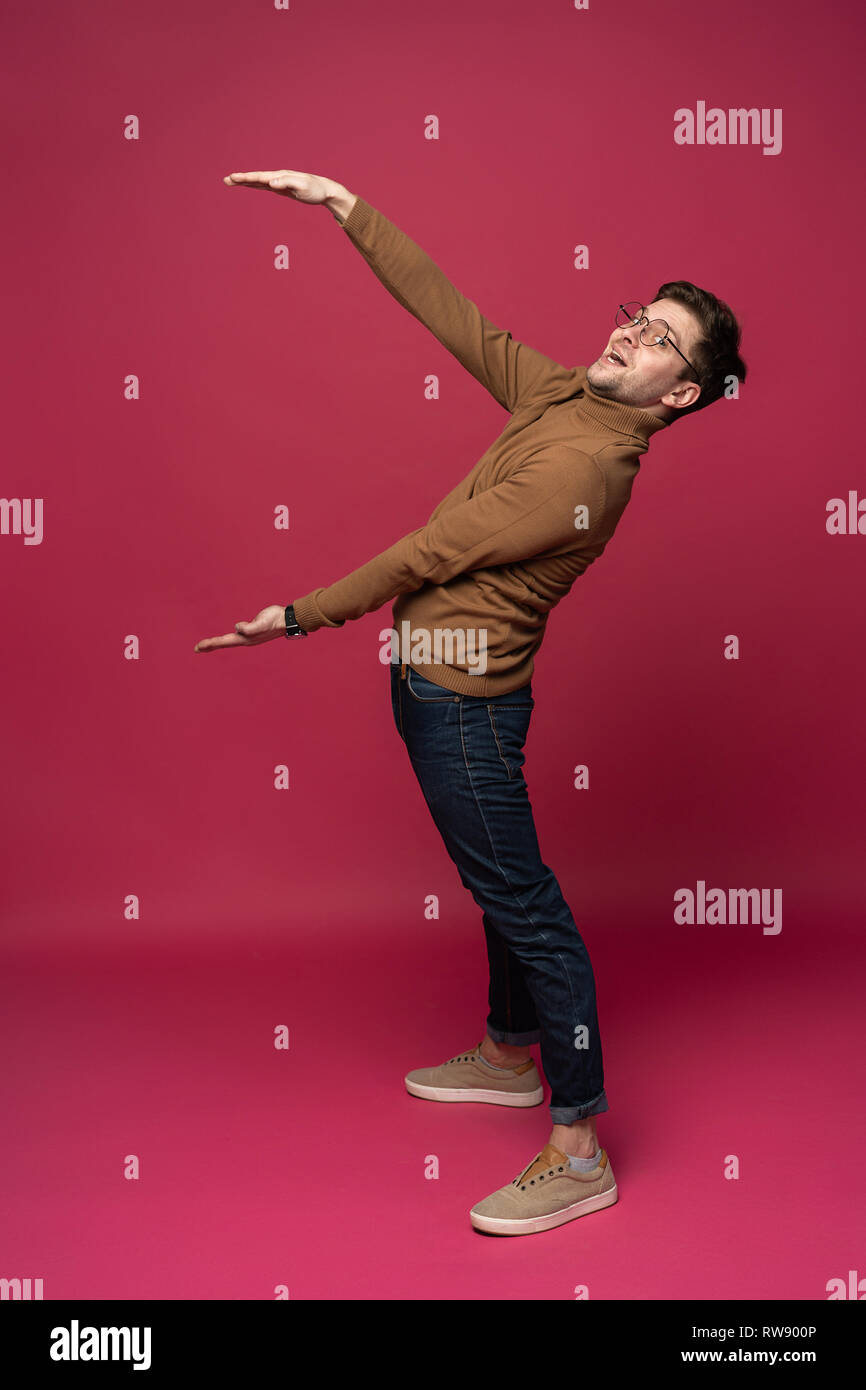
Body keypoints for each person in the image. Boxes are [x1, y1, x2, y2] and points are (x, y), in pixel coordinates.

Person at [195, 169, 747, 1237]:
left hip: (463, 705)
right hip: (435, 685)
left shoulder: (588, 464)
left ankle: (579, 1146)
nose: (632, 335)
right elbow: (458, 317)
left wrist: (299, 613)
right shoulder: (561, 395)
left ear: (680, 394)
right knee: (494, 875)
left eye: (661, 341)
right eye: (638, 316)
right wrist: (347, 206)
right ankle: (504, 1053)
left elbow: (429, 551)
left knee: (525, 900)